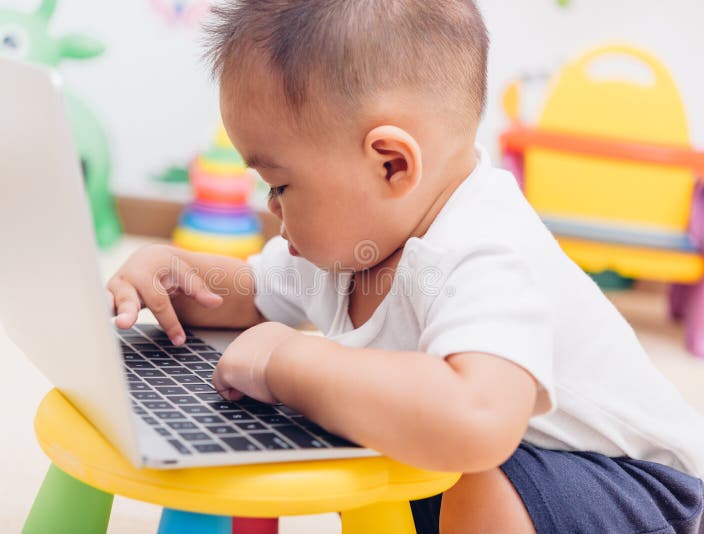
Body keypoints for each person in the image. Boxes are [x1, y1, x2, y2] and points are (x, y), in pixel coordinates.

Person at [107, 1, 704, 531]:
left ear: (391, 164)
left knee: (473, 477)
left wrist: (291, 362)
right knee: (390, 436)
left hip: (634, 487)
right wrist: (173, 274)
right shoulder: (354, 237)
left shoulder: (484, 248)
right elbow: (252, 292)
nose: (272, 208)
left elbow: (478, 418)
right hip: (490, 462)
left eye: (281, 184)